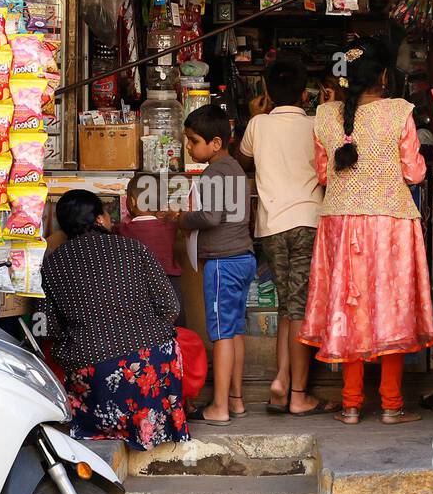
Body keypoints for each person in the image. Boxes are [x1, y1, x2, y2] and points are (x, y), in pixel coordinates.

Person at [301, 39, 433, 426]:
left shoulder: (325, 116)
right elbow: (414, 173)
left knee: (349, 308)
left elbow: (325, 174)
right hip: (389, 222)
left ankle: (350, 403)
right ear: (383, 76)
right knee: (389, 307)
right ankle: (392, 403)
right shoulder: (398, 112)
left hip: (339, 223)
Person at [41, 189, 189, 450]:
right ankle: (153, 424)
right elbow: (169, 307)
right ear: (99, 219)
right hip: (146, 363)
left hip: (91, 372)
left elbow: (49, 328)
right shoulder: (132, 247)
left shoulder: (51, 265)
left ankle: (100, 425)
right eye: (107, 214)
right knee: (184, 343)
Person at [238, 52, 333, 417]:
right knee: (301, 310)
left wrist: (253, 115)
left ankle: (282, 383)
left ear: (267, 92)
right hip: (309, 222)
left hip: (272, 227)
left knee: (286, 307)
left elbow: (243, 160)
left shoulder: (258, 125)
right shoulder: (315, 125)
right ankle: (295, 393)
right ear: (305, 93)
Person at [177, 104, 254, 426]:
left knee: (221, 335)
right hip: (243, 258)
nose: (189, 147)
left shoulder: (214, 173)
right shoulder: (234, 167)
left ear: (216, 143)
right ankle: (235, 400)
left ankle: (219, 406)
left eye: (194, 141)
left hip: (223, 263)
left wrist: (180, 218)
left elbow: (210, 217)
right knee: (234, 332)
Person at [117, 171, 183, 326]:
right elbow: (176, 219)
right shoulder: (170, 226)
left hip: (137, 285)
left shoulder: (123, 230)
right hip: (170, 283)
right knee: (176, 327)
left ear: (132, 201)